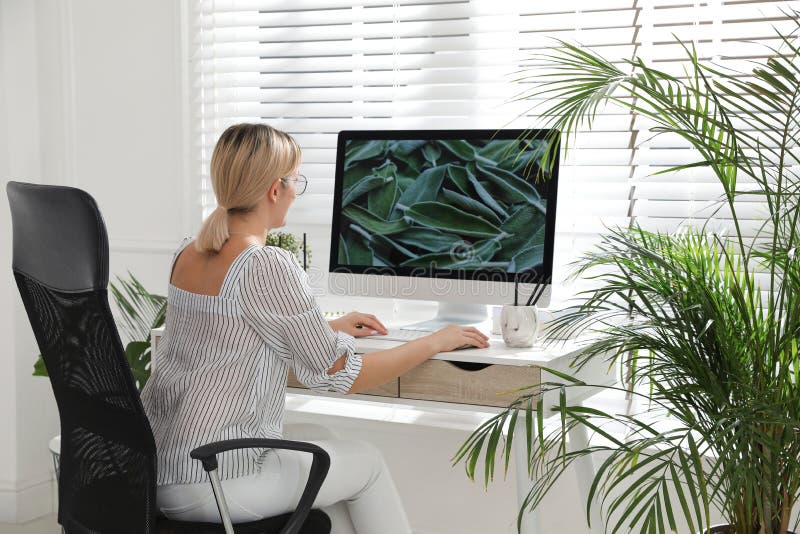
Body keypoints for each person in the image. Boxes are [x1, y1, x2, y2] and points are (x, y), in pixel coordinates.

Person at [140, 123, 489, 533]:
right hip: (215, 483)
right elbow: (341, 375)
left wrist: (328, 327)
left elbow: (233, 328)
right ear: (275, 189)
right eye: (296, 182)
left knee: (323, 437)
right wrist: (435, 341)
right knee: (368, 465)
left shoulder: (189, 253)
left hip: (161, 472)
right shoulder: (265, 264)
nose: (295, 193)